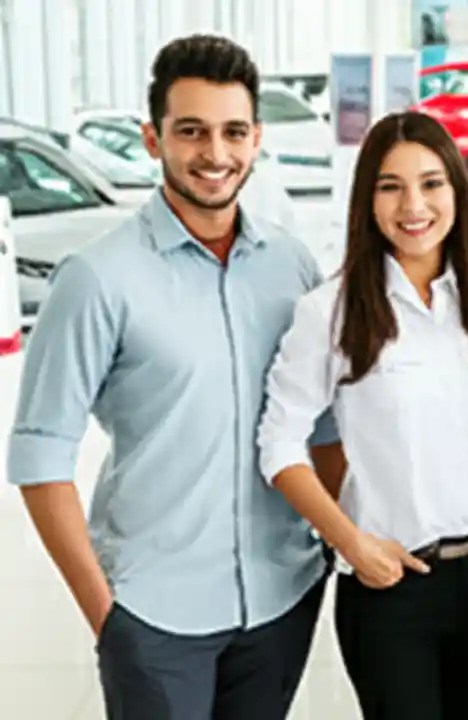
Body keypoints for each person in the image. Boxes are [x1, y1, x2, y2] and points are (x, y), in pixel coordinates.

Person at [7, 35, 337, 718]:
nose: (215, 154)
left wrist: (324, 552)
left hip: (279, 600)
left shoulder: (293, 266)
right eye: (192, 132)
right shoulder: (98, 278)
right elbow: (41, 460)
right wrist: (109, 619)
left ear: (257, 139)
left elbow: (324, 424)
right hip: (153, 616)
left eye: (232, 132)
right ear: (152, 139)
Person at [256, 111, 468, 720]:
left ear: (459, 194)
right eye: (391, 186)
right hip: (391, 583)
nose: (413, 204)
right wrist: (348, 542)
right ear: (367, 200)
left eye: (432, 183)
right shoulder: (329, 311)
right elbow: (279, 443)